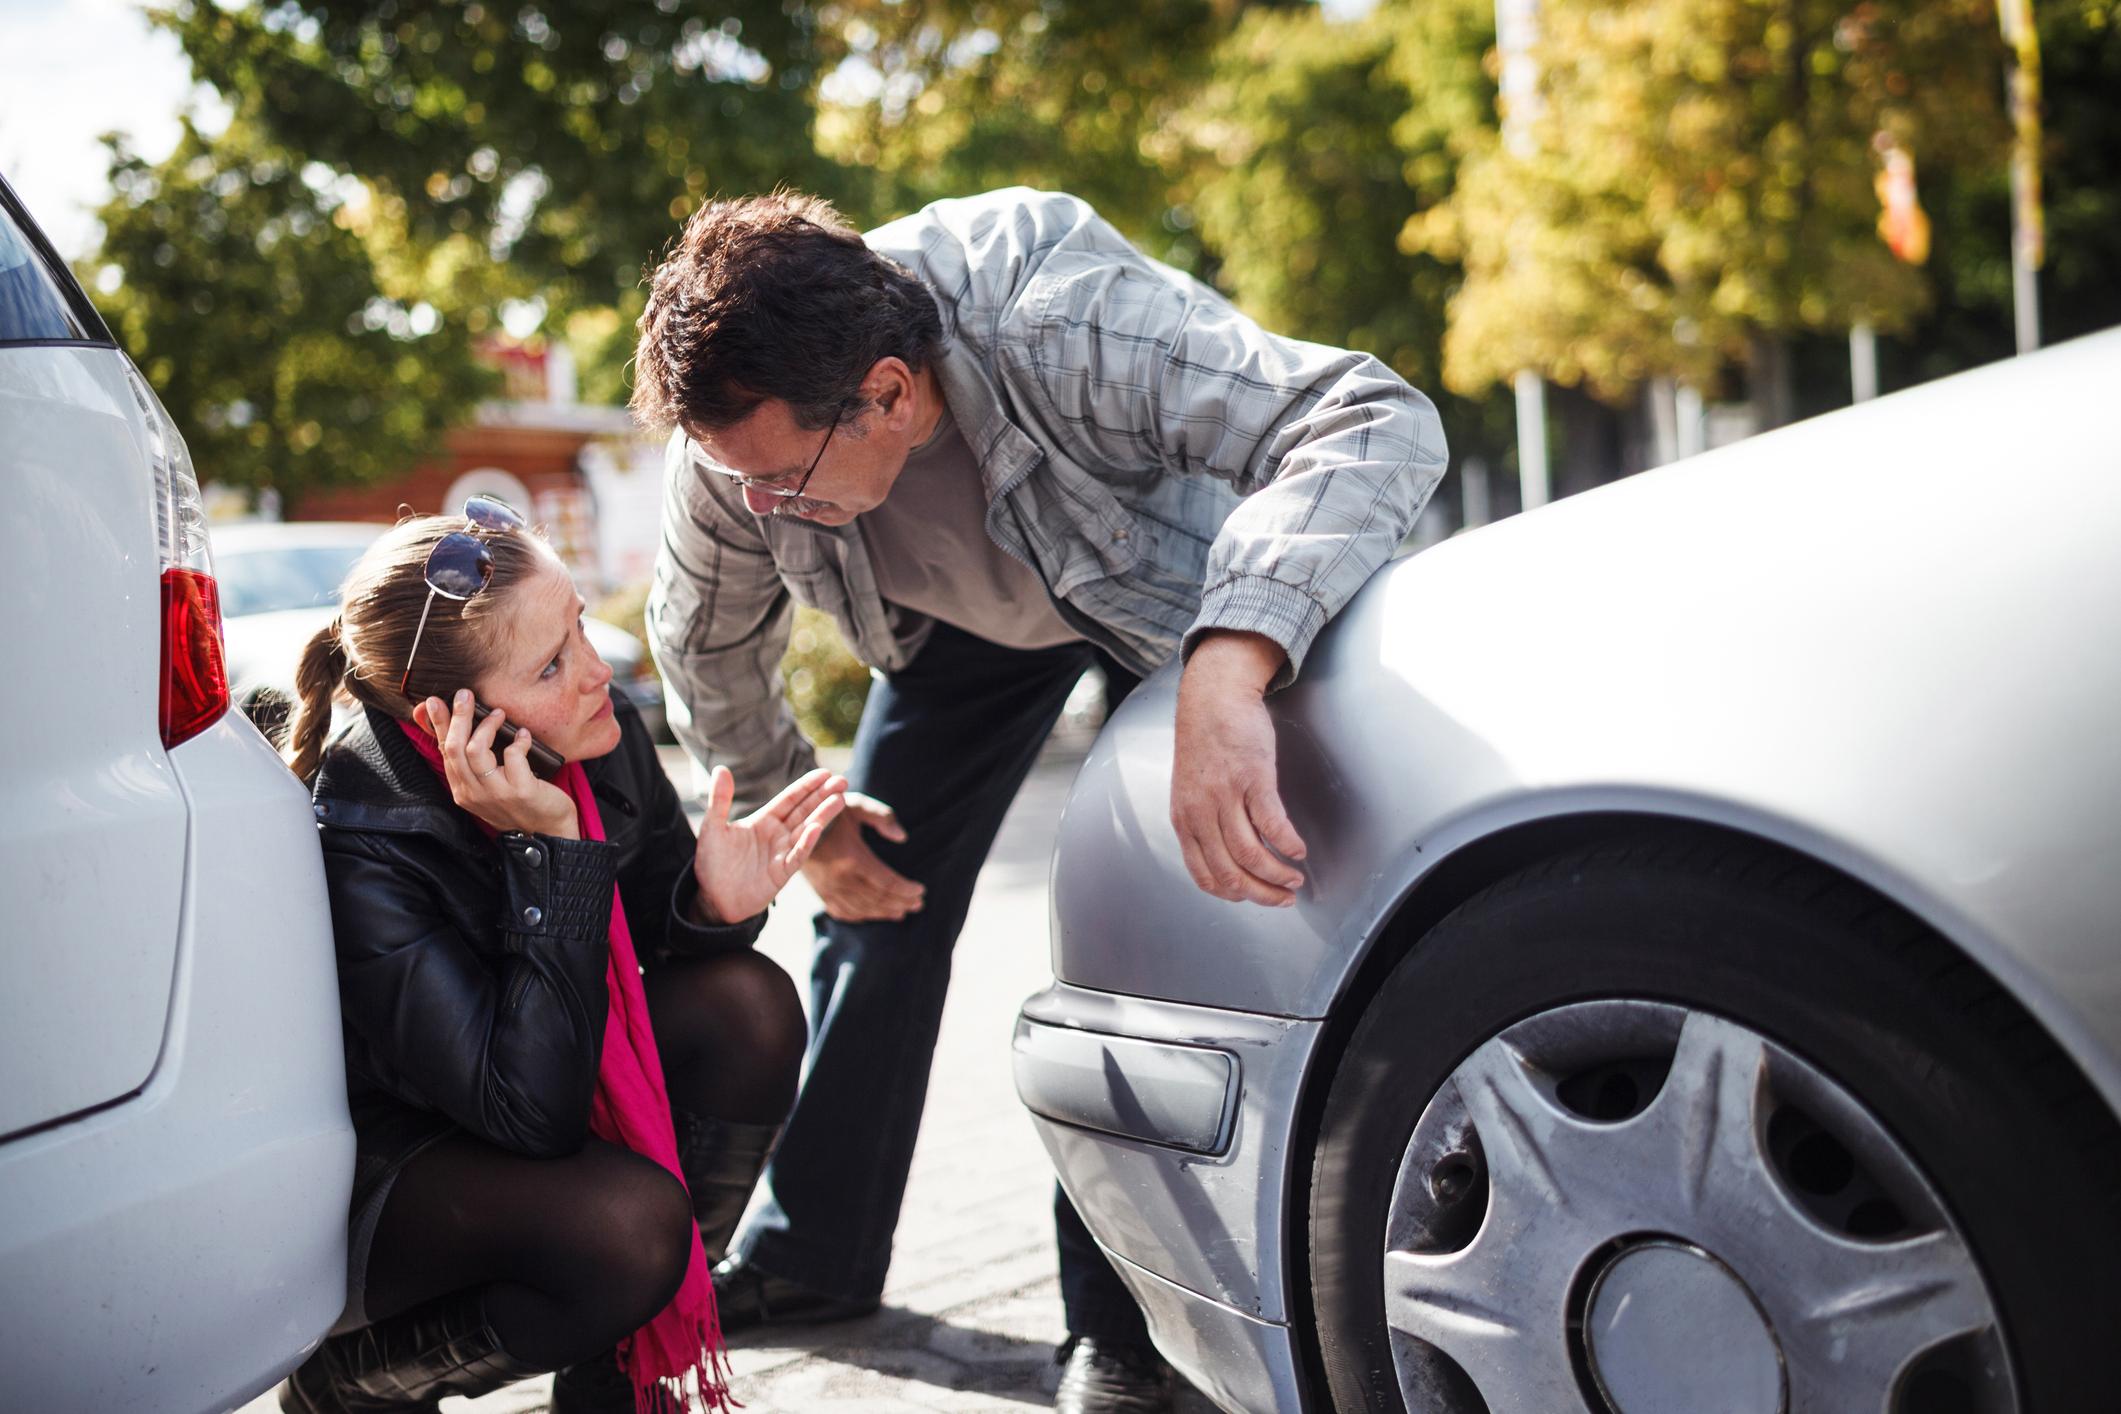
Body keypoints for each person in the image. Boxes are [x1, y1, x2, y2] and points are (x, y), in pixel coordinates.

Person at [631, 187, 1446, 1412]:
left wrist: (1233, 662)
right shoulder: (740, 456)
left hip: (1162, 597)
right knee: (873, 909)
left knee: (1137, 940)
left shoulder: (1059, 314)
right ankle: (813, 1255)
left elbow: (1366, 414)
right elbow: (701, 641)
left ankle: (1123, 1336)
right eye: (737, 480)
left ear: (892, 394)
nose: (758, 508)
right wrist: (810, 820)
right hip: (955, 631)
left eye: (783, 479)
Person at [277, 502, 845, 1414]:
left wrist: (706, 906)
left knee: (748, 1002)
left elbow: (648, 945)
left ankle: (620, 1376)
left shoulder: (590, 735)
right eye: (549, 665)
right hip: (392, 1164)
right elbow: (525, 1109)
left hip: (522, 1077)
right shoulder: (368, 833)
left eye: (578, 623)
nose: (597, 674)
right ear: (450, 715)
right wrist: (553, 854)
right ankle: (355, 1381)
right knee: (627, 1231)